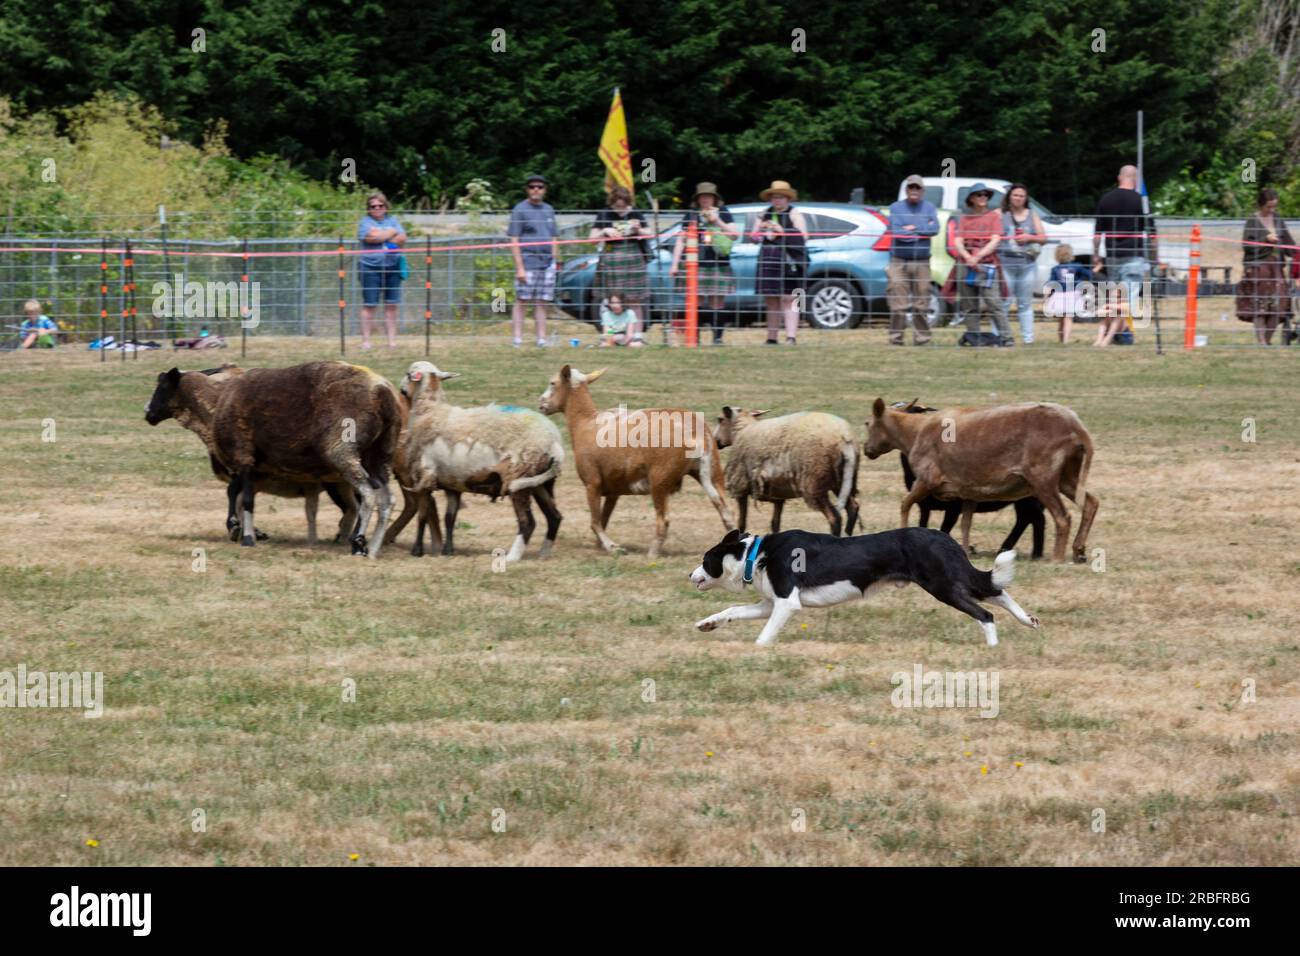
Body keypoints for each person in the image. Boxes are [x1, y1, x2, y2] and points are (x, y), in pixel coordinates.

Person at [670, 182, 739, 345]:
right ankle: (694, 338)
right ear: (698, 198)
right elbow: (681, 239)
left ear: (715, 198)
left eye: (709, 196)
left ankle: (717, 338)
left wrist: (717, 221)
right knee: (696, 301)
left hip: (718, 263)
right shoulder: (692, 214)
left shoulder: (723, 212)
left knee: (717, 302)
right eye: (702, 196)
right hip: (696, 264)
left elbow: (735, 235)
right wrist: (674, 264)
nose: (705, 199)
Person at [1093, 165, 1162, 324]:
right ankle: (1123, 334)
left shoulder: (1105, 199)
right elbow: (1152, 235)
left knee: (1113, 296)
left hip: (1112, 255)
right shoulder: (1142, 202)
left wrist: (1096, 254)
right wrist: (1154, 258)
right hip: (1134, 256)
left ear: (1119, 178)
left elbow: (1097, 234)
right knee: (1128, 298)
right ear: (1136, 180)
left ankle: (1114, 332)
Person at [952, 183, 1010, 344]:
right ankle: (974, 337)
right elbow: (957, 241)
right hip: (966, 264)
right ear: (971, 198)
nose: (983, 197)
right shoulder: (964, 218)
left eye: (985, 195)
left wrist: (978, 257)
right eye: (979, 194)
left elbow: (995, 240)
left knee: (994, 302)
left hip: (987, 264)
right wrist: (967, 257)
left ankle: (1006, 337)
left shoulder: (994, 217)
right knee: (970, 305)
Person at [1236, 187, 1295, 346]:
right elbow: (1247, 246)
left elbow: (1288, 242)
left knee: (1279, 306)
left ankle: (1267, 341)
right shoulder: (1252, 221)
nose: (1272, 210)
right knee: (1260, 307)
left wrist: (1296, 252)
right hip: (1258, 268)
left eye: (1274, 206)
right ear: (1260, 205)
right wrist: (1265, 239)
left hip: (1276, 269)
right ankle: (1262, 342)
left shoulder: (1278, 219)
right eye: (1269, 206)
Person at [753, 180, 808, 344]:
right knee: (771, 299)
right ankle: (771, 338)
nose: (776, 200)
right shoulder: (764, 213)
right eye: (774, 197)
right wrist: (761, 230)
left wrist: (781, 231)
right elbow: (753, 237)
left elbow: (804, 236)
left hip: (789, 260)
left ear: (787, 199)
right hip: (768, 258)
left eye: (780, 197)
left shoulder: (794, 213)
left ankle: (791, 337)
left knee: (790, 298)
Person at [508, 174, 560, 347]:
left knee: (542, 301)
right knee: (522, 300)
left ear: (545, 190)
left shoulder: (549, 209)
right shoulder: (520, 210)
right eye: (532, 187)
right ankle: (517, 339)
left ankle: (541, 339)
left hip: (547, 264)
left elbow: (554, 237)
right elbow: (514, 240)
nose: (536, 189)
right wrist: (520, 268)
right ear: (527, 189)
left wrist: (554, 261)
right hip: (527, 262)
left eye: (539, 186)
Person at [886, 174, 938, 345]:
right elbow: (897, 232)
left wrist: (913, 228)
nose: (914, 191)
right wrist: (921, 231)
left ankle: (922, 338)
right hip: (898, 261)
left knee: (922, 301)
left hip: (922, 261)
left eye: (917, 188)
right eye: (911, 187)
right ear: (906, 190)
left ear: (922, 191)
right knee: (898, 303)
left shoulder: (930, 207)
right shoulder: (895, 207)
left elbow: (935, 228)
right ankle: (896, 338)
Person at [590, 185, 651, 329]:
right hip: (610, 260)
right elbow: (591, 239)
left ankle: (636, 337)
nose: (620, 211)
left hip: (633, 259)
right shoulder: (604, 214)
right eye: (617, 207)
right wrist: (604, 231)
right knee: (610, 300)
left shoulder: (635, 212)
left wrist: (638, 230)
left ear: (628, 203)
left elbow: (649, 233)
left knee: (634, 300)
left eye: (623, 207)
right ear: (612, 203)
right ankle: (609, 336)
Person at [356, 191, 406, 349]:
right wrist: (391, 233)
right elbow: (370, 238)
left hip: (393, 266)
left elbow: (402, 239)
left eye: (380, 205)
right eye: (373, 206)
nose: (377, 208)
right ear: (369, 209)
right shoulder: (365, 222)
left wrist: (381, 235)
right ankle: (366, 341)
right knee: (369, 304)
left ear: (386, 206)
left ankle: (391, 342)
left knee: (391, 305)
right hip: (370, 267)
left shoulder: (393, 220)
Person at [999, 184, 1047, 344]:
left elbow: (1043, 238)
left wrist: (1029, 237)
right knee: (1003, 303)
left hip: (1027, 265)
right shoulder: (1000, 214)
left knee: (1025, 303)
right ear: (1009, 197)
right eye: (1015, 195)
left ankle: (1028, 339)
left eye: (1021, 196)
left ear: (1026, 198)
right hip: (1005, 264)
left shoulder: (1032, 215)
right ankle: (999, 336)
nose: (1018, 198)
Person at [1042, 244, 1093, 343]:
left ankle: (1061, 339)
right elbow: (1089, 274)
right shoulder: (1077, 266)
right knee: (1068, 318)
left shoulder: (1055, 269)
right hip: (1072, 295)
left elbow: (1050, 284)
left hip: (1059, 295)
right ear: (1071, 254)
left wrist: (1046, 297)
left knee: (1061, 319)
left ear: (1057, 256)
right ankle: (1066, 340)